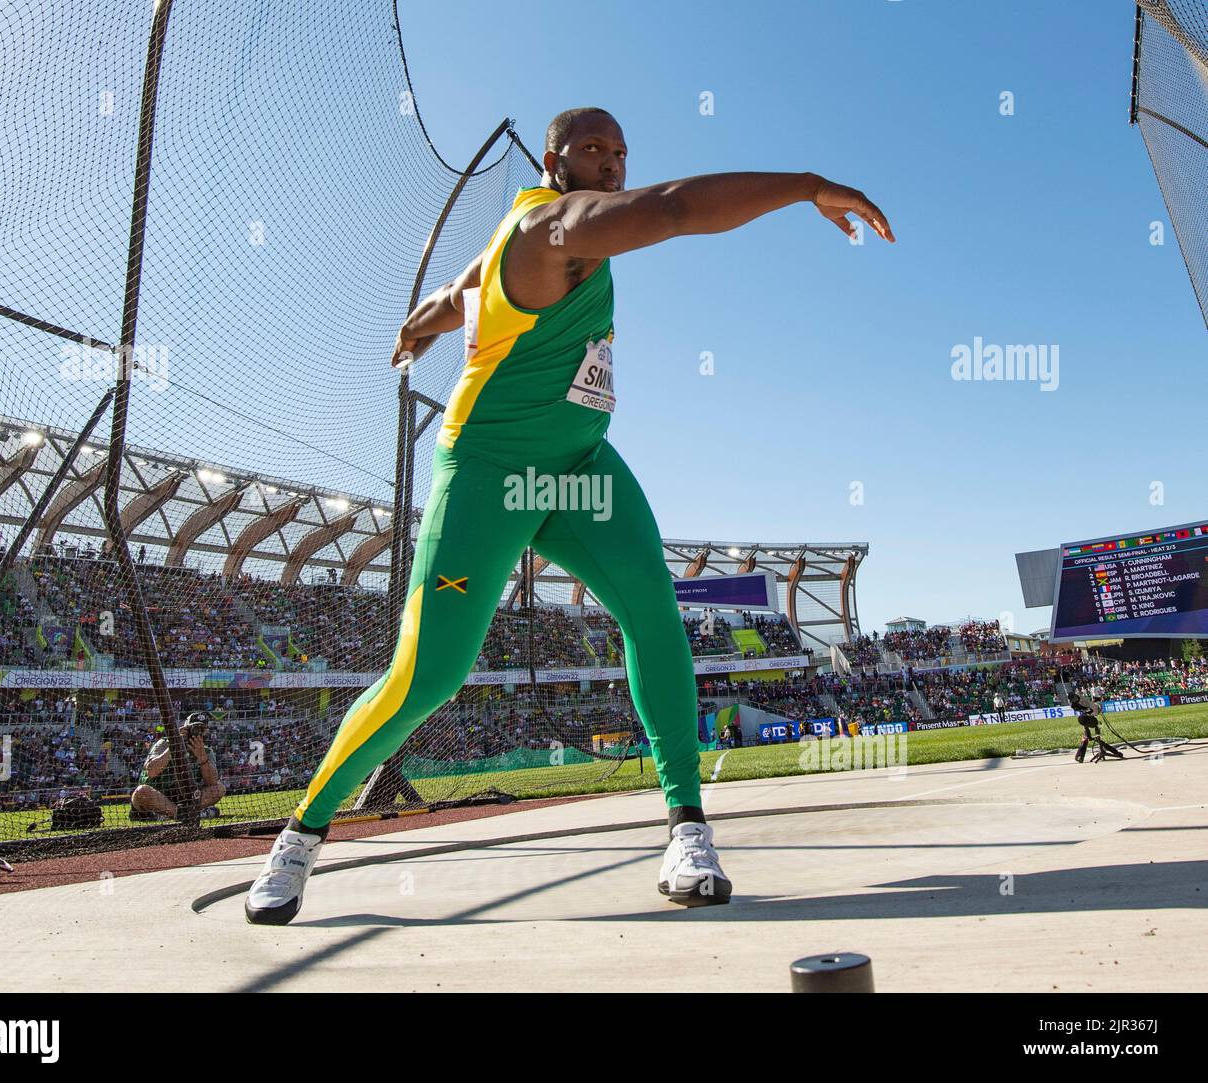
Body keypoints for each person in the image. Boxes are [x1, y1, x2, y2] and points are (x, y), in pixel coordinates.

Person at [244, 106, 894, 924]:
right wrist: (806, 187)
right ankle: (300, 835)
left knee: (656, 615)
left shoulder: (525, 237)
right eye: (594, 150)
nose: (612, 163)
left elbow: (462, 290)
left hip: (580, 469)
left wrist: (421, 323)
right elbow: (675, 210)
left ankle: (687, 827)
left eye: (622, 151)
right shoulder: (551, 228)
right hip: (489, 475)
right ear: (556, 163)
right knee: (427, 676)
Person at [131, 713, 225, 820]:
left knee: (219, 788)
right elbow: (151, 771)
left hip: (184, 798)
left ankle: (174, 814)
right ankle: (192, 813)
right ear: (185, 729)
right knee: (141, 791)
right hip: (157, 794)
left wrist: (202, 758)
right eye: (194, 729)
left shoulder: (206, 751)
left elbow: (212, 783)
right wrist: (174, 745)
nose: (196, 733)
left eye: (201, 730)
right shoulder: (164, 743)